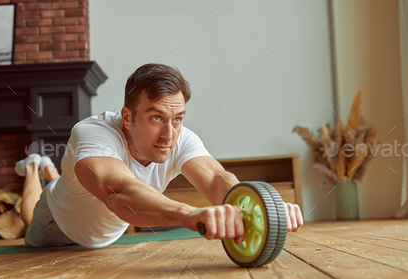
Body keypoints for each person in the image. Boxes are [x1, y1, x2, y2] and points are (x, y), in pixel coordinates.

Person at [16, 63, 304, 249]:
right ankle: (34, 167)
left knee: (64, 180)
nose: (169, 134)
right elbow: (119, 193)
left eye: (178, 118)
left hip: (98, 231)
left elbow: (217, 179)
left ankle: (50, 171)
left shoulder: (179, 137)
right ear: (127, 117)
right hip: (56, 225)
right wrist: (189, 214)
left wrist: (266, 208)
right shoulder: (93, 133)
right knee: (31, 215)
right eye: (156, 118)